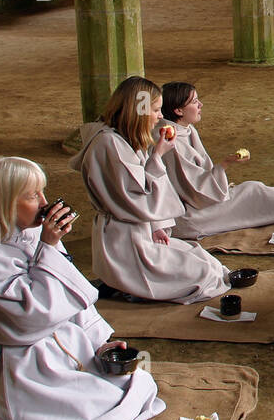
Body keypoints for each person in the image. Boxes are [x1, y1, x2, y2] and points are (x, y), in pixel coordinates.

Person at [0, 155, 165, 420]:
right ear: (5, 202)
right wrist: (49, 246)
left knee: (135, 384)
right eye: (31, 195)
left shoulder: (35, 234)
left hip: (64, 344)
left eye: (43, 192)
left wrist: (99, 344)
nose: (43, 202)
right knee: (99, 408)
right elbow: (28, 318)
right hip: (21, 362)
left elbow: (72, 297)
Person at [69, 76, 232, 303]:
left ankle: (125, 285)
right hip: (124, 243)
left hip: (140, 231)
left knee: (206, 260)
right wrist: (157, 156)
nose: (160, 116)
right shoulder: (109, 145)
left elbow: (137, 195)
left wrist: (156, 226)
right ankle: (122, 286)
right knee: (203, 275)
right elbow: (137, 198)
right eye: (156, 110)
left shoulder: (126, 139)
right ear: (140, 111)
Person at [157, 81, 274, 238]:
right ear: (179, 111)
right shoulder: (172, 141)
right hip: (190, 216)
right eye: (194, 102)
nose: (201, 105)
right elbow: (195, 193)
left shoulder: (185, 130)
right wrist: (224, 165)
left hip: (205, 198)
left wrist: (219, 174)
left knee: (253, 192)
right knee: (253, 192)